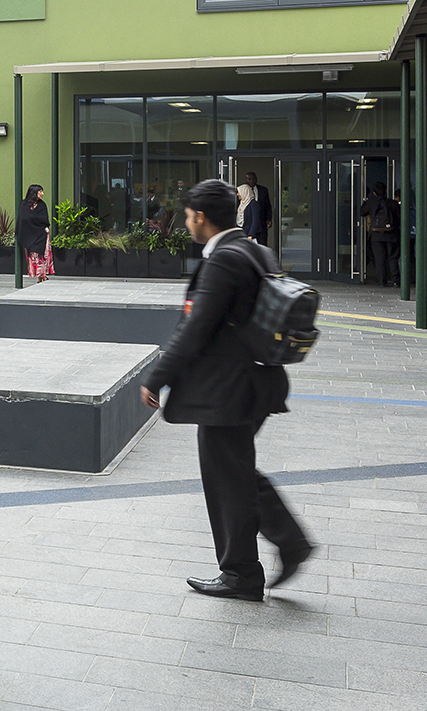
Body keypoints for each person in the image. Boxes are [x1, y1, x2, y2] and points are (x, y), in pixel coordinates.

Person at [140, 178, 310, 601]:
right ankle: (284, 544)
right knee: (232, 471)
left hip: (229, 391)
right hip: (255, 382)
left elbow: (195, 328)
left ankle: (242, 573)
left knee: (227, 478)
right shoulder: (254, 249)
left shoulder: (223, 261)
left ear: (200, 217)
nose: (185, 221)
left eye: (186, 215)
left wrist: (156, 377)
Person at [362, 184, 401, 286]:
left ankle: (382, 281)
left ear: (374, 193)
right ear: (386, 190)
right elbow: (399, 218)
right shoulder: (393, 203)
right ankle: (395, 280)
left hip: (376, 235)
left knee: (380, 259)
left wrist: (364, 202)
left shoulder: (371, 203)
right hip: (392, 234)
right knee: (393, 258)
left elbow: (362, 212)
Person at [19, 184, 54, 282]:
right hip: (29, 234)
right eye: (40, 192)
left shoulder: (42, 205)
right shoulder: (24, 205)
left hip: (41, 234)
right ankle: (38, 274)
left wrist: (34, 221)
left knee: (42, 254)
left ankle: (42, 274)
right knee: (33, 255)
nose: (42, 194)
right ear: (34, 193)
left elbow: (44, 219)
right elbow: (23, 219)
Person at [240, 172, 272, 247]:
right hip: (248, 225)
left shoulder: (263, 190)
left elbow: (267, 206)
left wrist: (269, 219)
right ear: (245, 180)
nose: (251, 181)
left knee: (262, 246)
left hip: (261, 224)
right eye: (249, 179)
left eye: (254, 179)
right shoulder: (242, 191)